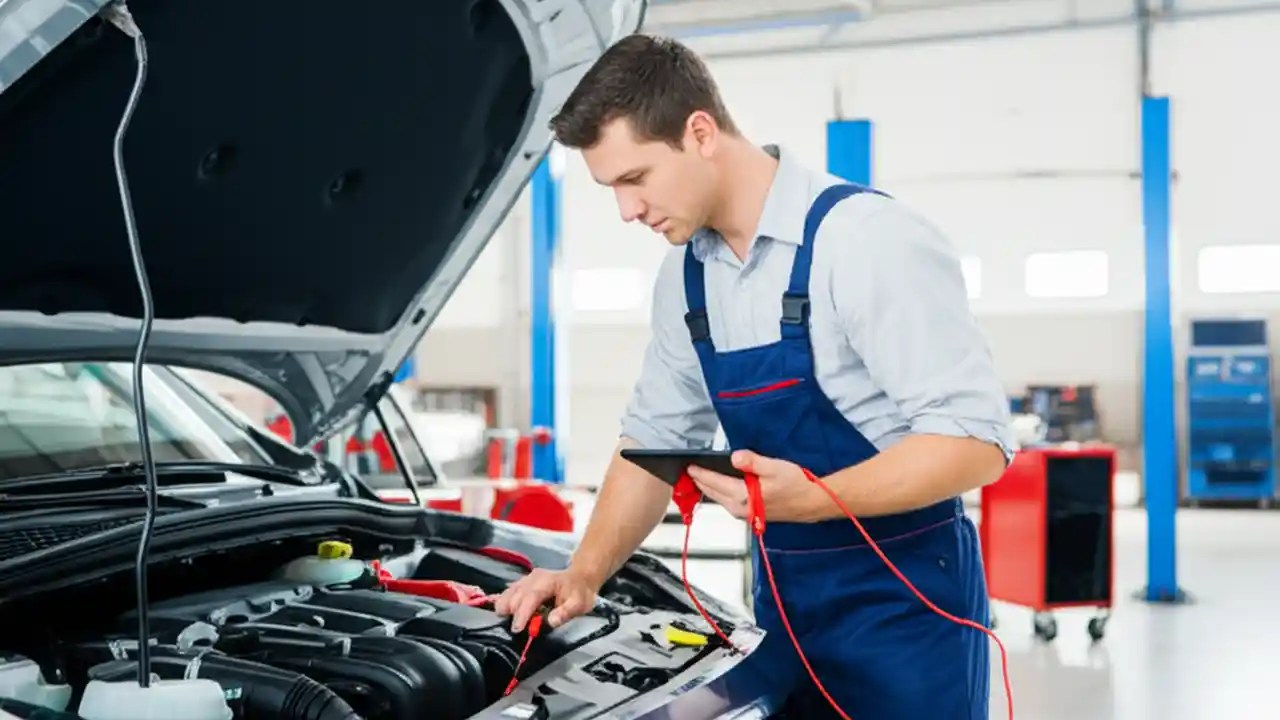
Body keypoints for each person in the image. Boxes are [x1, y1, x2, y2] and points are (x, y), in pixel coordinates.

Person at [494, 33, 1014, 719]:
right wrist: (584, 573)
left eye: (635, 178)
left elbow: (977, 442)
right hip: (783, 614)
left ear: (700, 132)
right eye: (611, 189)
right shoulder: (687, 280)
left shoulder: (862, 242)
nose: (627, 211)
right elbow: (650, 440)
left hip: (907, 616)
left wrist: (817, 497)